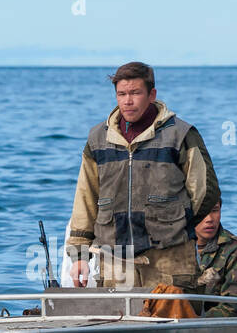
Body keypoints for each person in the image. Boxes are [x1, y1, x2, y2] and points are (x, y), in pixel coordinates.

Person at [66, 62, 219, 290]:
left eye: (136, 93)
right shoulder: (98, 139)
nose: (128, 101)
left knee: (174, 320)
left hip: (170, 259)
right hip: (114, 259)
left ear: (151, 94)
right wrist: (79, 254)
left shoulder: (181, 134)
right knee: (116, 322)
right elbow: (85, 198)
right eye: (122, 94)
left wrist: (175, 225)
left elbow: (205, 191)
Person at [193, 197, 237, 317]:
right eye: (202, 212)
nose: (209, 219)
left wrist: (192, 321)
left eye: (214, 210)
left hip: (214, 328)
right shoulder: (172, 248)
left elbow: (236, 305)